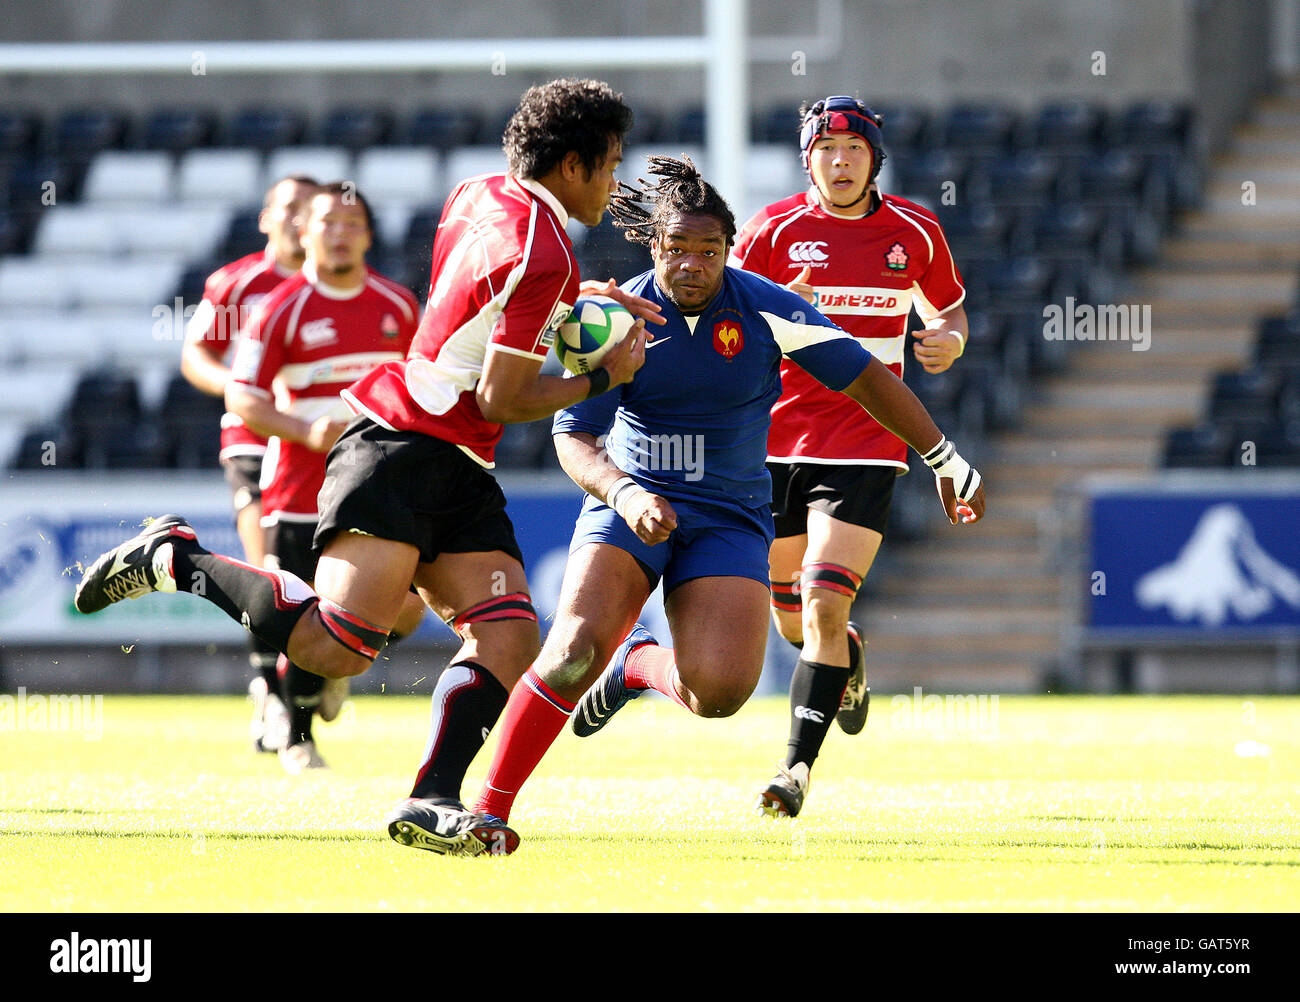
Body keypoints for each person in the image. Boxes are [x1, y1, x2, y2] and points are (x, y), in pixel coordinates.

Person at [73, 78, 659, 854]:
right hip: (399, 447)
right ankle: (177, 560)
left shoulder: (477, 194)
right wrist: (602, 375)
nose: (616, 181)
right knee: (330, 647)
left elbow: (482, 301)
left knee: (509, 637)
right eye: (613, 163)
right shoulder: (543, 250)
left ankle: (431, 800)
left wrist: (572, 307)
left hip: (449, 456)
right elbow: (501, 393)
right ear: (576, 164)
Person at [461, 155, 985, 854]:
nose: (691, 265)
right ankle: (488, 813)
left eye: (708, 251)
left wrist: (944, 458)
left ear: (728, 252)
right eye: (677, 249)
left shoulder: (768, 307)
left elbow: (867, 380)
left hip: (732, 517)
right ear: (654, 248)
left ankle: (640, 664)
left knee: (720, 695)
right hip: (632, 501)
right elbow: (573, 436)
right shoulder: (617, 320)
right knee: (572, 649)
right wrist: (625, 490)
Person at [730, 95, 971, 817]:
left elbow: (950, 309)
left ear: (874, 160)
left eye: (854, 152)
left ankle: (794, 771)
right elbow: (724, 327)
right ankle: (848, 664)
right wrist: (774, 306)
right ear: (808, 158)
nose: (840, 163)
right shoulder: (770, 231)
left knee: (825, 601)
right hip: (773, 441)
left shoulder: (916, 231)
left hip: (866, 441)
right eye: (827, 152)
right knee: (792, 621)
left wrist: (950, 339)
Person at [225, 181, 423, 773]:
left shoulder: (397, 306)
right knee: (300, 612)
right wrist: (306, 430)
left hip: (380, 486)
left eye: (353, 223)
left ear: (368, 234)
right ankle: (298, 738)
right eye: (328, 224)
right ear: (303, 233)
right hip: (299, 488)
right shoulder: (279, 308)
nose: (340, 234)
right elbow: (243, 396)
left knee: (403, 608)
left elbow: (422, 389)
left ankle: (344, 661)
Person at [180, 174, 318, 754]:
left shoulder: (339, 290)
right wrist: (243, 390)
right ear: (266, 218)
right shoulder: (237, 284)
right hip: (253, 438)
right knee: (265, 565)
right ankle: (271, 694)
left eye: (307, 210)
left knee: (319, 584)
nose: (296, 220)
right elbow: (196, 354)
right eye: (287, 208)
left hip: (320, 447)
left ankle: (316, 680)